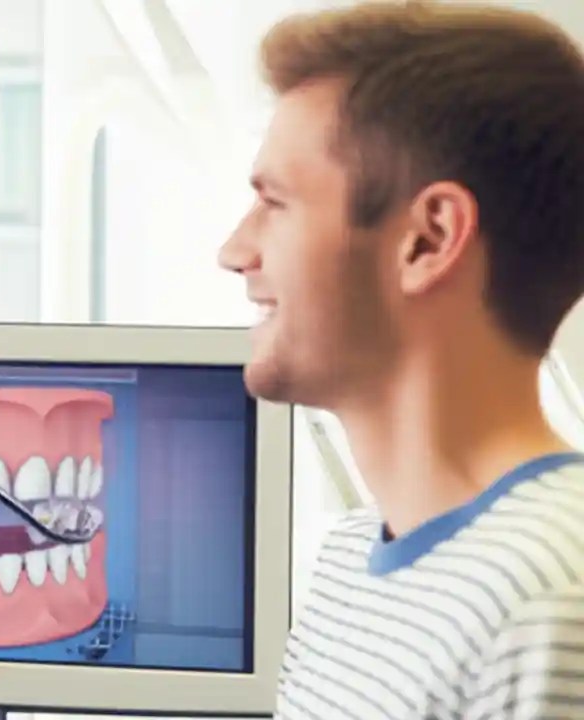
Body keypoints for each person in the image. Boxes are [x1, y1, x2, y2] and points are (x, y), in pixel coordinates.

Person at [219, 3, 584, 718]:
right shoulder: (350, 560)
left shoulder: (552, 597)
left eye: (275, 202)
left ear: (428, 239)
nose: (235, 251)